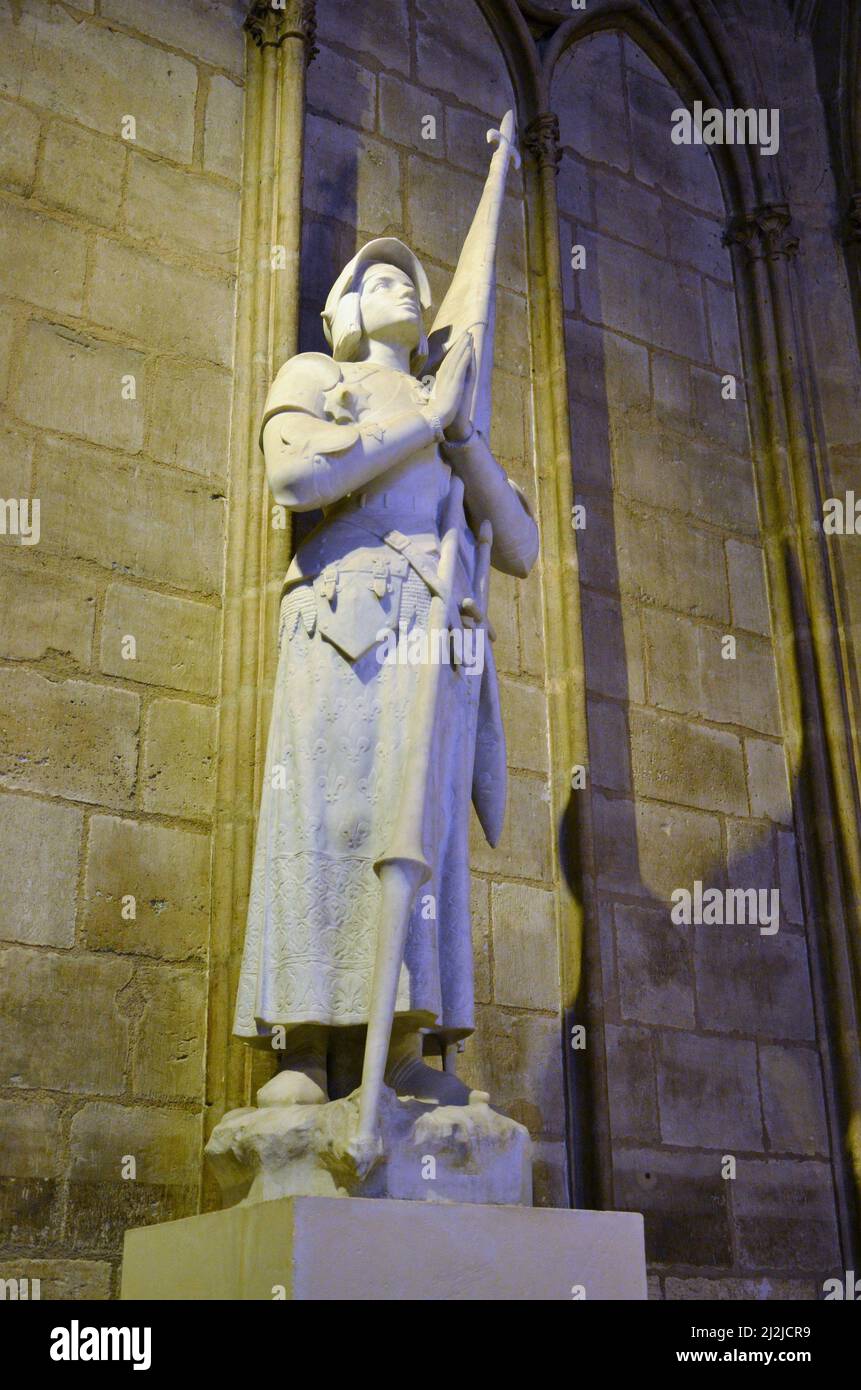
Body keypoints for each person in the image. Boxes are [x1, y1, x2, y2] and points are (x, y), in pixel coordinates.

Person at [233, 237, 538, 1107]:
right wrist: (419, 417)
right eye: (377, 276)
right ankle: (306, 1046)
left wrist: (461, 433)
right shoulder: (315, 377)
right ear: (344, 311)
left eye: (410, 276)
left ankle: (401, 1040)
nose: (400, 284)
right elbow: (294, 474)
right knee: (324, 821)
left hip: (428, 636)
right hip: (340, 621)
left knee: (419, 834)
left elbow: (517, 544)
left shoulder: (452, 411)